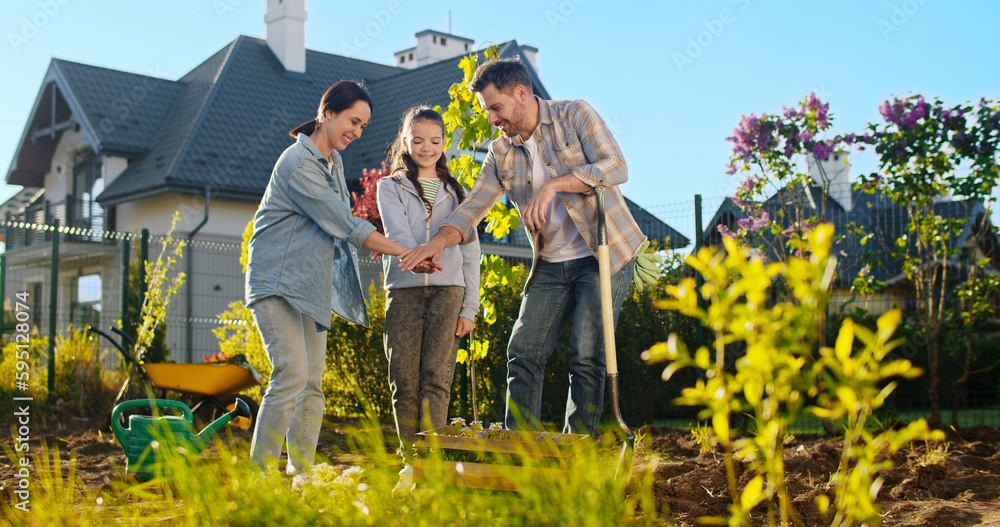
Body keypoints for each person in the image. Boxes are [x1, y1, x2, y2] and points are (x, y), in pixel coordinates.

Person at [399, 58, 646, 436]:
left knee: (585, 356)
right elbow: (472, 208)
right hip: (551, 263)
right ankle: (521, 451)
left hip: (603, 253)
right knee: (523, 351)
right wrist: (436, 243)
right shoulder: (501, 152)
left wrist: (553, 185)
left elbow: (615, 166)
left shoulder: (574, 115)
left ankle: (574, 452)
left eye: (495, 108)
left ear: (521, 92)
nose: (493, 119)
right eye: (487, 111)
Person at [245, 81, 438, 475]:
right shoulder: (298, 164)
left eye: (364, 126)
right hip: (276, 281)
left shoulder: (333, 162)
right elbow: (343, 223)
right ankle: (257, 478)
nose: (357, 131)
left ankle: (301, 474)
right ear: (327, 113)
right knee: (291, 374)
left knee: (312, 385)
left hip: (309, 284)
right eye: (353, 120)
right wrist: (406, 252)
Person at [377, 107, 481, 495]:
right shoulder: (390, 186)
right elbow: (397, 232)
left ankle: (430, 464)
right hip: (403, 292)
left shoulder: (459, 193)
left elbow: (471, 253)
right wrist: (421, 256)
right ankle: (410, 462)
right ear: (405, 142)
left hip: (448, 293)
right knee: (402, 378)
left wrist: (469, 309)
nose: (426, 148)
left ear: (444, 144)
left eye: (435, 142)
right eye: (417, 141)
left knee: (436, 380)